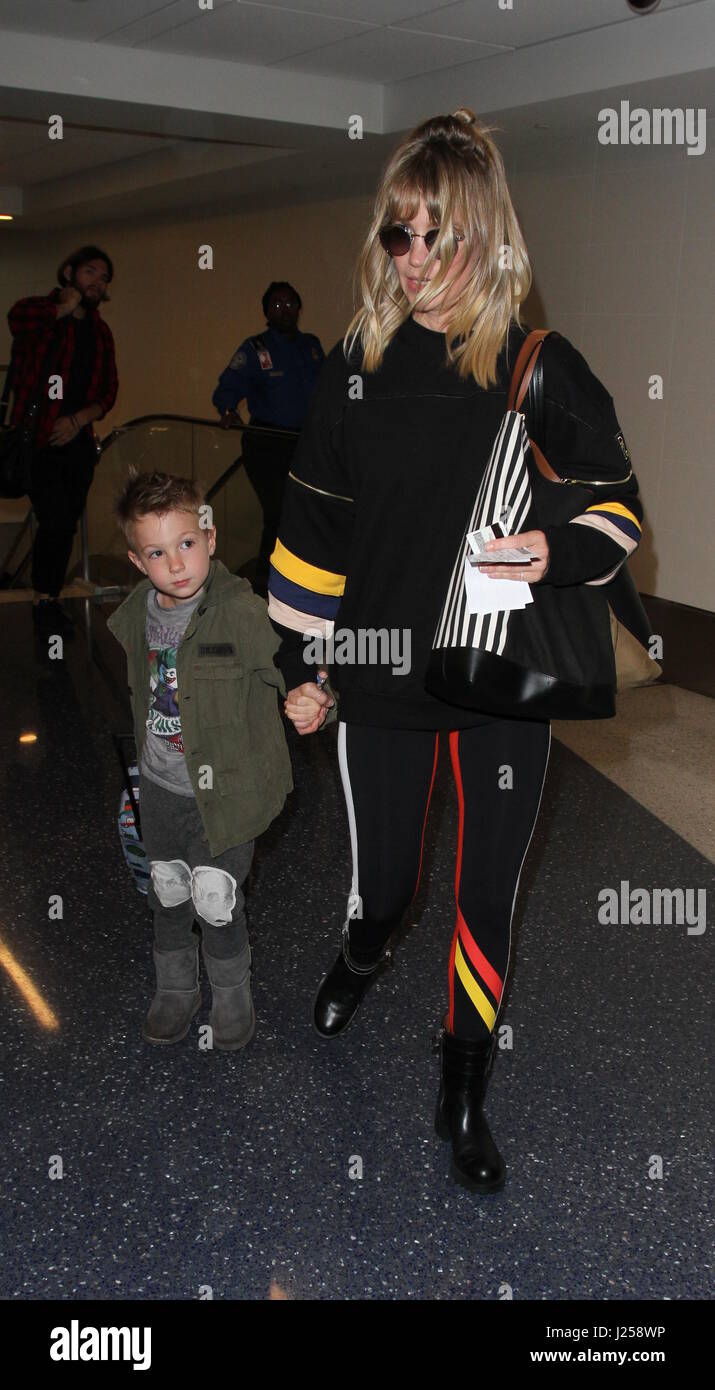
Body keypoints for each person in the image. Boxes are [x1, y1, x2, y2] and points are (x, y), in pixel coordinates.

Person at [267, 109, 643, 1194]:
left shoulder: (538, 365)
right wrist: (304, 670)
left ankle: (463, 1083)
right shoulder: (353, 367)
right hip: (380, 673)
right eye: (399, 234)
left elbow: (616, 505)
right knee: (386, 886)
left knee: (486, 897)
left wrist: (553, 546)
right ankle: (363, 947)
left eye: (441, 235)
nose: (417, 260)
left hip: (499, 675)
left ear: (489, 236)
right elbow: (312, 539)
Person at [107, 470, 293, 1051]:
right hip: (160, 790)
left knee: (215, 901)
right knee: (167, 894)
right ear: (138, 563)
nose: (177, 563)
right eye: (157, 552)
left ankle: (232, 995)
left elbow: (293, 667)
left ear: (210, 539)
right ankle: (175, 990)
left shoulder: (241, 612)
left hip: (225, 792)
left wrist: (318, 696)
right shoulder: (138, 616)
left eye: (187, 543)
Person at [7, 245, 118, 633]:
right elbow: (16, 320)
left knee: (65, 522)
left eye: (103, 278)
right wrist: (61, 309)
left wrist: (79, 419)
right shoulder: (41, 313)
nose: (96, 283)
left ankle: (48, 599)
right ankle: (44, 602)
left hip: (78, 441)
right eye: (90, 272)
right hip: (38, 440)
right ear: (69, 271)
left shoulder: (100, 331)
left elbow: (108, 391)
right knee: (54, 518)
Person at [212, 282, 324, 595]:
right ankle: (265, 585)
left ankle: (300, 582)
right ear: (266, 312)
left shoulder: (311, 346)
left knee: (304, 514)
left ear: (299, 308)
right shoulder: (255, 348)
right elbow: (226, 388)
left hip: (304, 444)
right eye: (276, 305)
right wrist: (227, 409)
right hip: (267, 443)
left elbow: (327, 391)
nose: (284, 309)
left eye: (290, 304)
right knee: (278, 512)